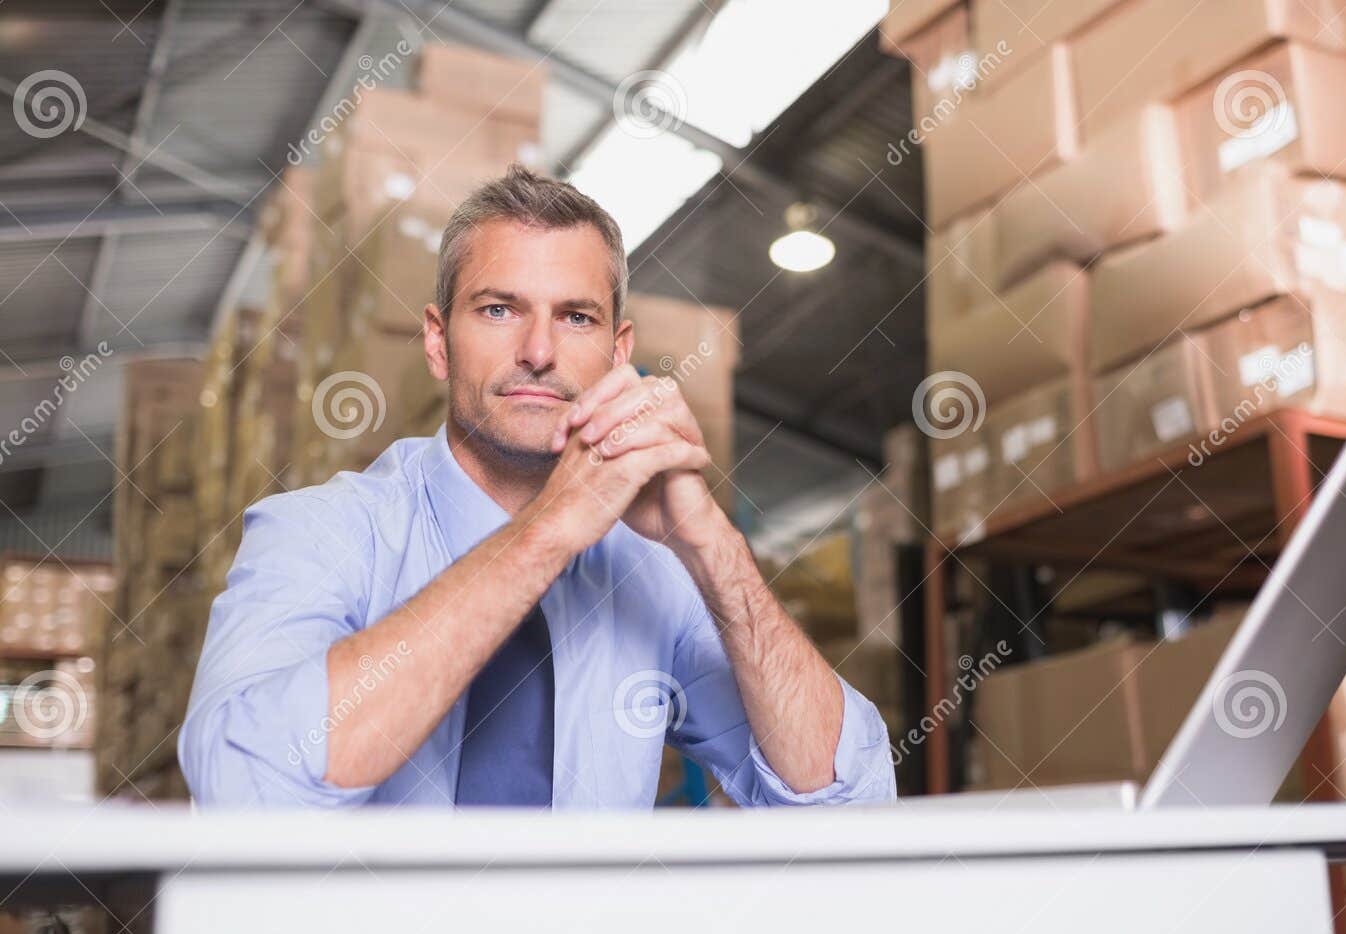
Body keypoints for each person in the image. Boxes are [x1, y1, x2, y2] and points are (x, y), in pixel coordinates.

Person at [179, 165, 896, 809]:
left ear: (618, 353)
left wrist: (714, 546)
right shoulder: (320, 532)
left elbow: (849, 797)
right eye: (499, 309)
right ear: (437, 341)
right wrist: (547, 532)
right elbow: (243, 784)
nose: (539, 352)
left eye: (576, 318)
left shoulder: (649, 573)